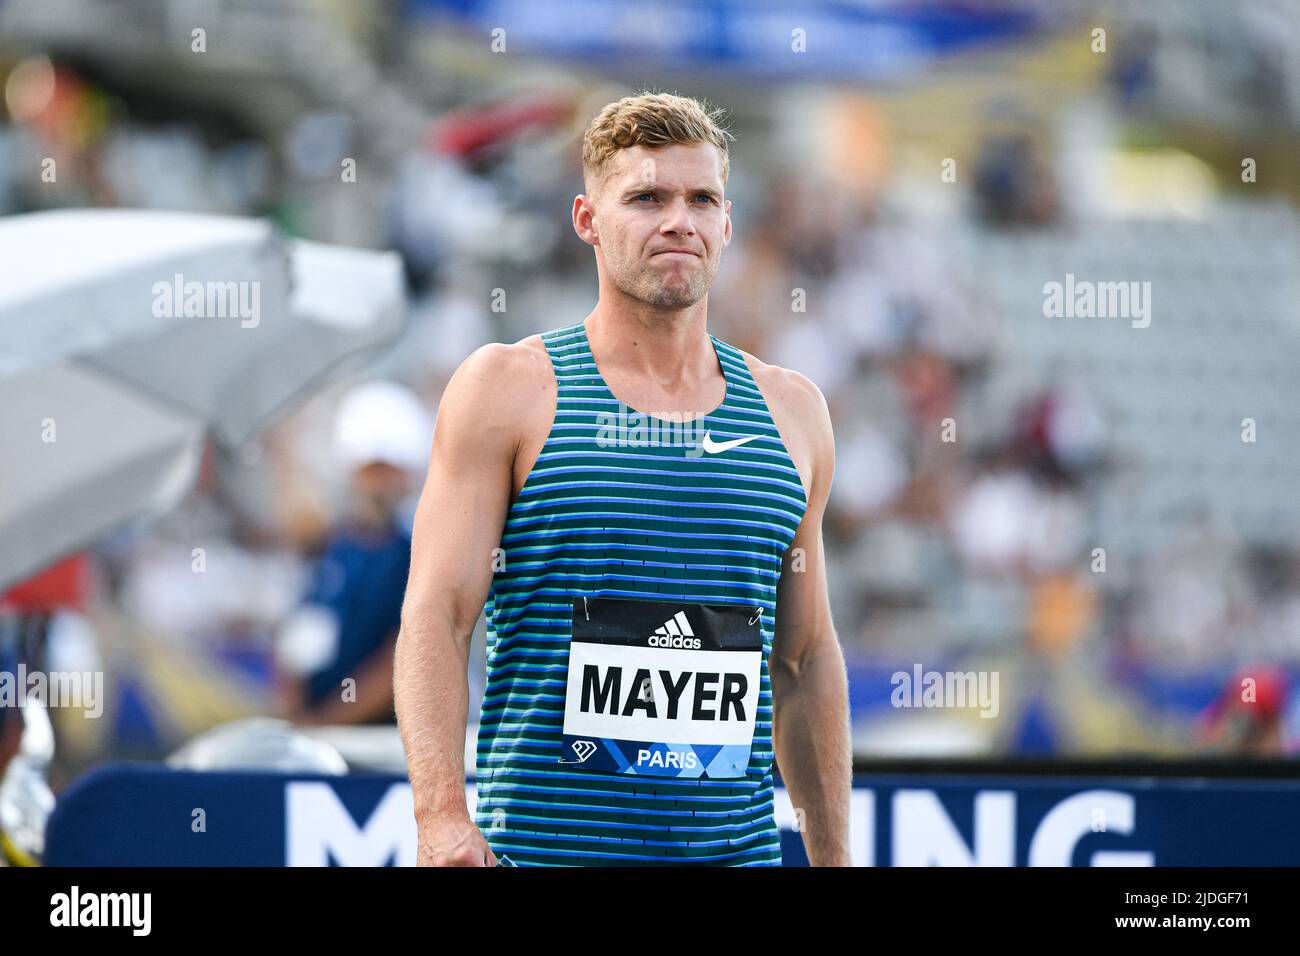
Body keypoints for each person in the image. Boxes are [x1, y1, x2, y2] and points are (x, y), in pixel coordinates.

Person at [395, 92, 850, 866]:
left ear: (727, 224)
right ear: (587, 220)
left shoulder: (793, 413)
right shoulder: (508, 390)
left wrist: (834, 860)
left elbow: (805, 661)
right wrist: (440, 817)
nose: (679, 221)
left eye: (701, 199)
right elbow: (437, 616)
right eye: (646, 198)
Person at [277, 381, 430, 727]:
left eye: (387, 469)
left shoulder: (413, 554)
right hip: (322, 733)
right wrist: (299, 718)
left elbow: (402, 658)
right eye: (370, 470)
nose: (377, 483)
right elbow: (298, 641)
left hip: (380, 740)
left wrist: (327, 723)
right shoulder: (333, 550)